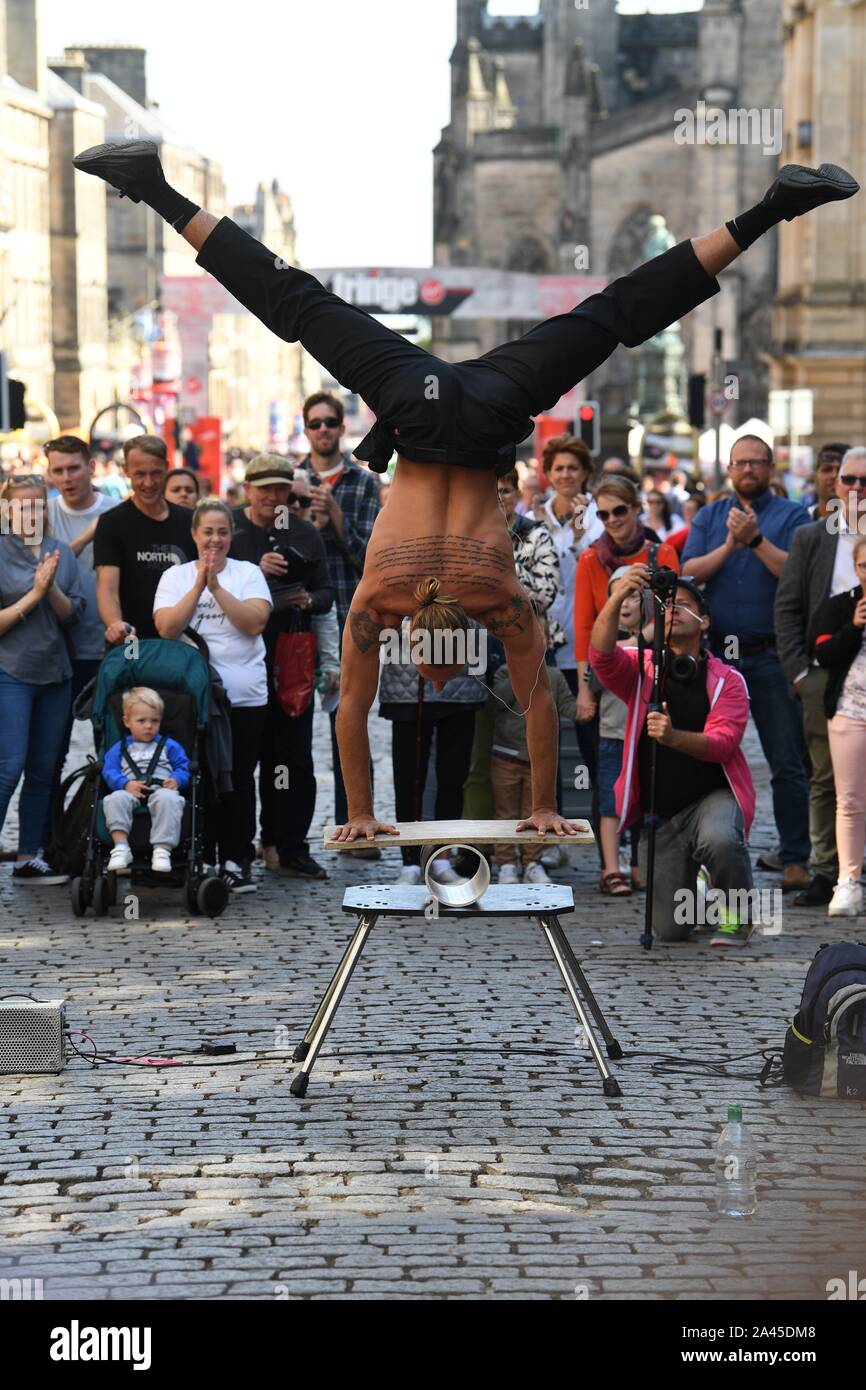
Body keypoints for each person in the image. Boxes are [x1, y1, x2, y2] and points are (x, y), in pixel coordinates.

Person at [73, 136, 859, 839]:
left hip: (479, 409)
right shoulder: (397, 600)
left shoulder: (481, 601)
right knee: (300, 303)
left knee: (614, 312)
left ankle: (773, 207)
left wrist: (368, 813)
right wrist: (525, 804)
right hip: (422, 404)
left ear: (428, 637)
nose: (439, 674)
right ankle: (153, 186)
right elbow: (418, 706)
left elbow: (492, 703)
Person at [589, 569, 757, 946]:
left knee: (721, 840)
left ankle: (737, 916)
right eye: (666, 606)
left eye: (683, 605)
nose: (674, 611)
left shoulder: (728, 679)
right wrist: (619, 597)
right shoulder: (640, 666)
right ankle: (699, 889)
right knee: (670, 931)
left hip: (711, 799)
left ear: (705, 620)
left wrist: (673, 737)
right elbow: (600, 656)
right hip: (660, 814)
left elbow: (723, 743)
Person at [682, 435, 813, 891]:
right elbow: (690, 572)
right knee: (708, 758)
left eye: (758, 463)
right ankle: (704, 857)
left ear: (772, 468)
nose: (749, 470)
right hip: (717, 660)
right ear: (730, 468)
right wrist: (731, 546)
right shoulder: (712, 515)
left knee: (787, 761)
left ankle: (795, 855)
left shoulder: (792, 515)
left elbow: (795, 572)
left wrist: (755, 539)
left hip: (772, 655)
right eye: (741, 463)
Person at [153, 499, 272, 893]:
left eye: (223, 531)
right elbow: (167, 629)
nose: (215, 539)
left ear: (231, 535)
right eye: (208, 531)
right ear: (194, 534)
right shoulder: (174, 576)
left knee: (237, 778)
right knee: (198, 776)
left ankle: (237, 858)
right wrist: (197, 586)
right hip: (194, 700)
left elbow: (254, 623)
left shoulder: (249, 574)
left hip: (244, 697)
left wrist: (217, 588)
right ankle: (200, 856)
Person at [230, 455, 334, 880]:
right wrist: (255, 573)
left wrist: (307, 600)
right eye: (265, 489)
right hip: (238, 653)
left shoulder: (304, 531)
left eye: (281, 489)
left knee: (289, 757)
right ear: (248, 488)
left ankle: (287, 844)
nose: (274, 498)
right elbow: (206, 580)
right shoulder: (230, 528)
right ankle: (236, 848)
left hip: (291, 653)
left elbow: (327, 591)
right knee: (239, 758)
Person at [775, 447, 866, 906]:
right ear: (836, 485)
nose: (857, 490)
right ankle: (828, 870)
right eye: (849, 480)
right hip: (824, 671)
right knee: (825, 777)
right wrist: (799, 672)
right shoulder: (813, 536)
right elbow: (788, 606)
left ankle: (856, 870)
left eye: (865, 482)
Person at [302, 392, 382, 854]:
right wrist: (305, 524)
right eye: (316, 423)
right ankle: (287, 838)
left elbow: (369, 558)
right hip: (302, 619)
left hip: (349, 612)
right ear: (306, 428)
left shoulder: (361, 483)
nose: (324, 430)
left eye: (331, 422)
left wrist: (334, 520)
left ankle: (356, 822)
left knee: (348, 718)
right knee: (292, 732)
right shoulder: (290, 480)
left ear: (341, 427)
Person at [0, 475, 86, 883]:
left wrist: (50, 589)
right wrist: (33, 595)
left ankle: (27, 856)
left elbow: (71, 615)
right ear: (6, 510)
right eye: (21, 505)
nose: (30, 512)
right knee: (8, 766)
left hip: (55, 673)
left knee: (42, 768)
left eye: (38, 505)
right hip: (10, 672)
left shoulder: (60, 553)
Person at [377, 598, 485, 885]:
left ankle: (442, 856)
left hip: (462, 678)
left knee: (453, 776)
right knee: (409, 777)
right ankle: (410, 860)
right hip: (407, 681)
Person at [43, 436, 119, 844]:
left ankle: (105, 840)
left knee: (111, 751)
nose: (67, 477)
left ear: (91, 467)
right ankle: (48, 843)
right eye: (58, 470)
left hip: (105, 647)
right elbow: (41, 570)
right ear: (49, 473)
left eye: (74, 467)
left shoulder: (115, 512)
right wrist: (87, 536)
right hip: (57, 651)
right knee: (49, 755)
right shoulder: (45, 515)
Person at [574, 475, 680, 719]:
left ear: (636, 507)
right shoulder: (590, 559)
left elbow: (673, 611)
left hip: (656, 674)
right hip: (607, 676)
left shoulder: (663, 553)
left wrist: (632, 643)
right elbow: (583, 628)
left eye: (619, 510)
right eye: (603, 514)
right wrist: (583, 689)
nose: (612, 520)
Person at [489, 619, 576, 886]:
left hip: (536, 763)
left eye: (541, 636)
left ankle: (532, 862)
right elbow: (497, 702)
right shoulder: (504, 671)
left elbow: (570, 709)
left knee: (535, 811)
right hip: (505, 756)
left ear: (549, 642)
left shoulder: (555, 676)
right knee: (505, 813)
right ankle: (505, 863)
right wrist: (522, 671)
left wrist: (590, 692)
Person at [808, 535, 866, 915]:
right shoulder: (840, 606)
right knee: (848, 800)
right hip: (850, 711)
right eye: (865, 566)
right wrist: (855, 626)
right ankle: (848, 881)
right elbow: (824, 654)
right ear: (856, 568)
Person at [94, 435, 196, 644]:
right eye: (140, 474)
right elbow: (107, 589)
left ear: (166, 468)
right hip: (132, 643)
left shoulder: (189, 521)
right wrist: (116, 625)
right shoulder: (112, 523)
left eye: (155, 473)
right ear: (126, 470)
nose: (148, 483)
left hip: (184, 642)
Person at [587, 567, 643, 895]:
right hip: (613, 733)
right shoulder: (606, 639)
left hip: (646, 735)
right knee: (611, 801)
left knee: (644, 803)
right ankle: (610, 867)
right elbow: (594, 679)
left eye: (632, 593)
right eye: (617, 594)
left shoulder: (659, 637)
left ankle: (639, 864)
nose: (625, 602)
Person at [102, 687, 190, 874]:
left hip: (160, 789)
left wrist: (177, 779)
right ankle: (121, 847)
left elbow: (184, 767)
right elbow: (109, 771)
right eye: (141, 721)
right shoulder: (120, 748)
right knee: (115, 799)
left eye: (154, 721)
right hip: (130, 789)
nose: (148, 726)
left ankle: (162, 849)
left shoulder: (169, 746)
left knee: (170, 799)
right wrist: (124, 783)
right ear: (127, 722)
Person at [809, 443, 851, 521]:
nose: (834, 475)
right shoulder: (799, 520)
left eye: (841, 470)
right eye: (827, 469)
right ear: (815, 477)